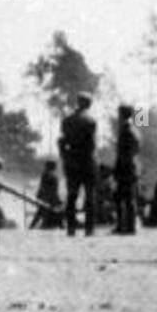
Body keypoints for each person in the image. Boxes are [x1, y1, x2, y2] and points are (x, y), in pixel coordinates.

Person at [59, 92, 97, 237]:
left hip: (72, 161)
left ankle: (71, 228)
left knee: (72, 196)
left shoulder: (67, 120)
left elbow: (62, 141)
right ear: (88, 104)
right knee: (90, 196)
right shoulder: (91, 121)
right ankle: (89, 229)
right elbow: (91, 144)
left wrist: (65, 157)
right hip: (87, 161)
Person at [113, 104, 140, 235]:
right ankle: (129, 226)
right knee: (129, 198)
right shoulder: (135, 129)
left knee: (122, 198)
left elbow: (123, 152)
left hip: (125, 167)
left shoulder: (125, 129)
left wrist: (118, 168)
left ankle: (124, 226)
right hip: (132, 166)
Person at [29, 159, 63, 229]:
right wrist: (55, 199)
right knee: (53, 213)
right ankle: (60, 226)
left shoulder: (46, 175)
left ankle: (33, 226)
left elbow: (45, 188)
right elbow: (49, 189)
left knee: (41, 213)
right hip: (48, 199)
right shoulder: (49, 175)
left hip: (46, 198)